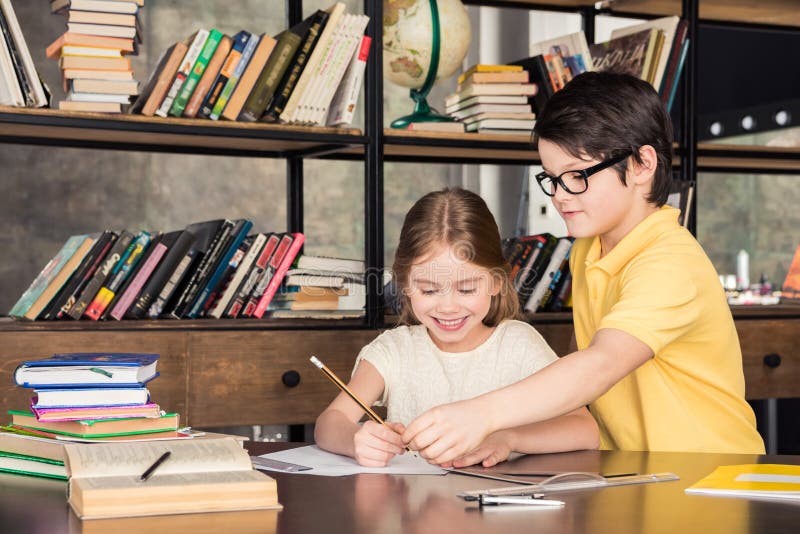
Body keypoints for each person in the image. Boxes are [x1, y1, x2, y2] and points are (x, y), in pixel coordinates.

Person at [401, 72, 766, 466]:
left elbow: (600, 364)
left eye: (577, 176)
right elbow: (582, 366)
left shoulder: (669, 262)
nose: (559, 196)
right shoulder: (588, 249)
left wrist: (480, 413)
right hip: (634, 473)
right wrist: (509, 437)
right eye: (552, 178)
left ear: (642, 163)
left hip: (708, 479)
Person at [314, 188, 599, 467]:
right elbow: (330, 422)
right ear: (404, 285)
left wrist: (509, 439)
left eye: (466, 290)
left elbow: (584, 430)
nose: (448, 307)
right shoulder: (395, 350)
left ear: (497, 282)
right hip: (412, 509)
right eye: (428, 291)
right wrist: (357, 441)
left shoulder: (518, 344)